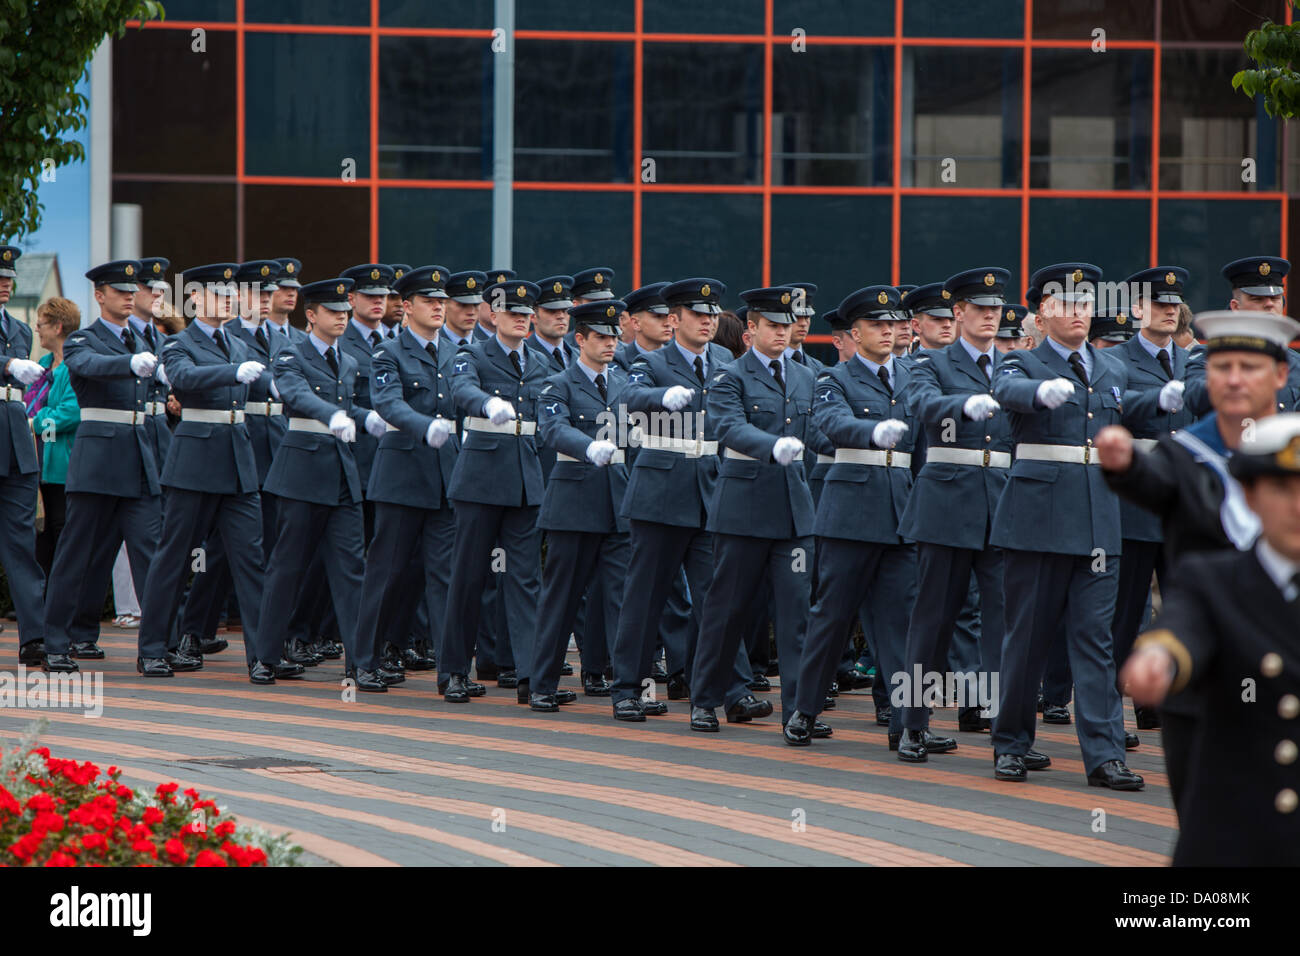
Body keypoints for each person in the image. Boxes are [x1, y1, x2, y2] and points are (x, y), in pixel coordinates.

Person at [1096, 308, 1300, 813]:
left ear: (1280, 374)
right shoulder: (1184, 451)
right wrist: (1122, 467)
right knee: (1205, 820)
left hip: (1286, 667)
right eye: (1220, 366)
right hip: (1203, 666)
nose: (1234, 380)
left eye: (1248, 368)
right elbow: (1157, 484)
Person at [988, 261, 1142, 790]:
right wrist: (1037, 394)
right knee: (1026, 638)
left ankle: (1105, 756)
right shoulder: (1019, 364)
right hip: (1038, 520)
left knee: (1095, 642)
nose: (1078, 313)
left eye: (1084, 304)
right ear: (1041, 313)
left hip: (1099, 521)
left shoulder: (1113, 370)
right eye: (1065, 304)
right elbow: (1004, 394)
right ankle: (1011, 743)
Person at [1121, 412, 1300, 866]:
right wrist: (1160, 658)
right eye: (1282, 489)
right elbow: (1184, 628)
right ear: (1249, 496)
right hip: (1232, 835)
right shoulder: (1213, 581)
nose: (1297, 507)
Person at [136, 262, 290, 681]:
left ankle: (262, 655)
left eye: (230, 295)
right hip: (195, 465)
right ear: (195, 300)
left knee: (251, 561)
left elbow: (266, 383)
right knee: (173, 558)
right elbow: (184, 379)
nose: (226, 301)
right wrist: (231, 372)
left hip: (239, 466)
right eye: (217, 295)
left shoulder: (239, 345)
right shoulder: (179, 343)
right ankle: (152, 649)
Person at [892, 269, 1015, 760]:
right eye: (979, 309)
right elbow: (921, 404)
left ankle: (998, 724)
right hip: (945, 503)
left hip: (1002, 503)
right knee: (932, 620)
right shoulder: (931, 363)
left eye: (996, 309)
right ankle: (913, 725)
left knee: (1001, 621)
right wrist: (966, 405)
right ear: (958, 314)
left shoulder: (1015, 364)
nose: (990, 316)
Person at [786, 285, 917, 746]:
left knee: (900, 624)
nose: (887, 331)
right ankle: (805, 709)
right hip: (849, 515)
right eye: (877, 325)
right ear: (855, 333)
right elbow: (832, 424)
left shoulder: (913, 377)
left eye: (892, 324)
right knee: (831, 617)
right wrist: (872, 431)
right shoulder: (833, 379)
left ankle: (906, 725)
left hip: (900, 515)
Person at [690, 286, 818, 734]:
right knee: (728, 610)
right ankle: (705, 699)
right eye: (773, 326)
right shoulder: (731, 377)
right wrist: (772, 446)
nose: (783, 333)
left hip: (792, 511)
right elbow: (728, 426)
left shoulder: (806, 377)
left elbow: (818, 431)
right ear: (751, 331)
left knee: (797, 614)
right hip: (744, 509)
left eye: (787, 326)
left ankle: (799, 711)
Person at [611, 279, 737, 718]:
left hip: (710, 488)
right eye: (698, 315)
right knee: (645, 597)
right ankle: (629, 688)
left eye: (712, 315)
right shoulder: (653, 361)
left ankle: (727, 692)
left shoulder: (724, 358)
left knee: (717, 598)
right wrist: (661, 398)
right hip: (661, 490)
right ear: (675, 319)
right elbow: (627, 396)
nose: (707, 322)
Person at [41, 260, 164, 673]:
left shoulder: (145, 339)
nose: (129, 296)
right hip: (97, 463)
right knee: (75, 555)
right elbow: (88, 366)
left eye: (133, 291)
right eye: (119, 290)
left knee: (151, 556)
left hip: (140, 459)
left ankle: (154, 650)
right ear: (99, 295)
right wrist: (128, 364)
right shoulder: (81, 340)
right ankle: (56, 642)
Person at [259, 277, 381, 687]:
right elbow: (295, 395)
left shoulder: (347, 361)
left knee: (352, 571)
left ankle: (360, 663)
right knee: (286, 568)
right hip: (301, 475)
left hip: (342, 478)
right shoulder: (291, 355)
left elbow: (353, 407)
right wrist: (332, 416)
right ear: (311, 316)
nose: (342, 318)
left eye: (345, 312)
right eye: (333, 312)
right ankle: (267, 656)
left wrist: (369, 418)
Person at [441, 279, 549, 704]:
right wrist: (486, 403)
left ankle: (530, 676)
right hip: (481, 483)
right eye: (514, 315)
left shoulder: (539, 363)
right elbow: (461, 389)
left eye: (527, 316)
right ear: (494, 315)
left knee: (525, 580)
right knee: (468, 577)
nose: (522, 321)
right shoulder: (473, 354)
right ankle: (453, 671)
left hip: (524, 483)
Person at [355, 265, 460, 688]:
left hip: (446, 476)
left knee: (446, 576)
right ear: (408, 306)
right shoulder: (389, 352)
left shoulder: (455, 353)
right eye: (429, 301)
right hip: (402, 475)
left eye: (441, 301)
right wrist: (423, 426)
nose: (438, 307)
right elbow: (387, 404)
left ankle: (450, 671)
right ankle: (364, 661)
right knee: (387, 572)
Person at [528, 300, 633, 712]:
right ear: (580, 339)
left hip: (618, 503)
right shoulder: (560, 384)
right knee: (562, 597)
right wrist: (589, 446)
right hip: (573, 503)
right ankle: (542, 683)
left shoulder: (625, 384)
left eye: (614, 337)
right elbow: (553, 429)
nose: (611, 344)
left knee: (621, 599)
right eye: (602, 337)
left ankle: (623, 687)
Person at [1106, 267, 1196, 731]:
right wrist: (1161, 398)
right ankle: (1107, 715)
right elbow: (1115, 406)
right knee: (1126, 612)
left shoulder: (1192, 360)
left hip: (1182, 501)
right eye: (1157, 303)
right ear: (1136, 309)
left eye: (1173, 303)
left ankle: (1160, 702)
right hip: (1137, 500)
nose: (1168, 310)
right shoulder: (1116, 359)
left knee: (1181, 606)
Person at [0, 246, 51, 665]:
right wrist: (8, 365)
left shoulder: (20, 329)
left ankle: (34, 636)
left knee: (21, 543)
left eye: (8, 276)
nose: (5, 283)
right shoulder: (15, 344)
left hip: (15, 441)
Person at [28, 298, 81, 578]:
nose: (37, 330)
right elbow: (30, 404)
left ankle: (62, 599)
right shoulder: (43, 366)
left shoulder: (74, 366)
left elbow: (70, 413)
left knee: (62, 531)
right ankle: (43, 598)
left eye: (41, 324)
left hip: (64, 465)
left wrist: (34, 422)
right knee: (42, 533)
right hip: (39, 464)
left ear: (58, 327)